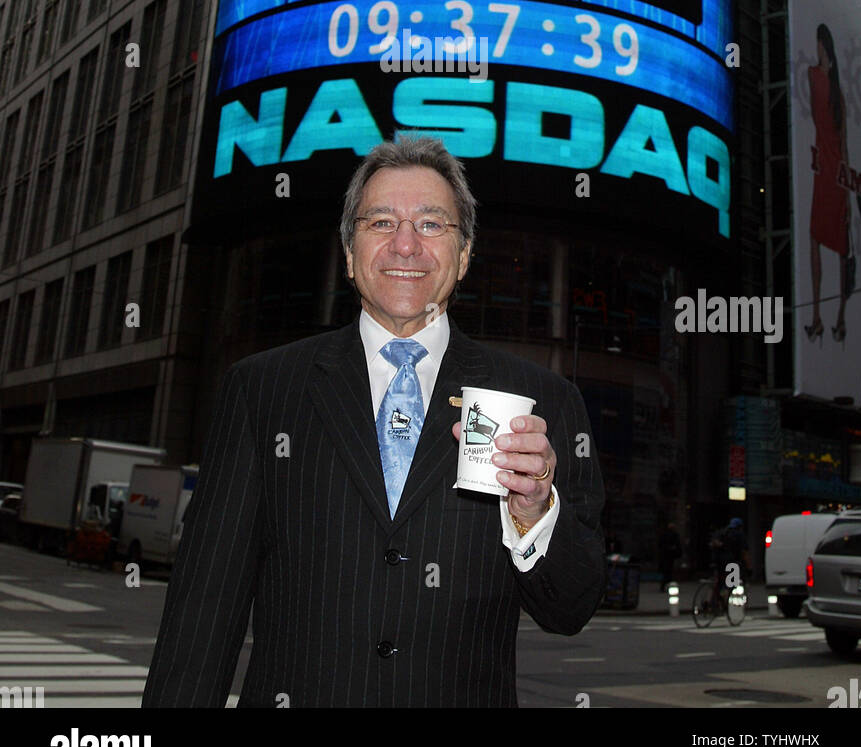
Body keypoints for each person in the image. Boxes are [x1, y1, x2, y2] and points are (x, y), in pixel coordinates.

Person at [142, 134, 606, 708]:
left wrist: (535, 513)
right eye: (381, 223)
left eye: (432, 225)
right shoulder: (262, 390)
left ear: (464, 256)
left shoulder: (540, 403)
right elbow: (203, 609)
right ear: (348, 252)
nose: (405, 245)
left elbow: (572, 608)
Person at [806, 25, 852, 343]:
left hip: (824, 171)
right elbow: (846, 147)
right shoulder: (839, 95)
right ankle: (839, 318)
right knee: (839, 247)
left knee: (816, 239)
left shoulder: (814, 76)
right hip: (837, 175)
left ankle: (818, 316)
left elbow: (812, 113)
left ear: (822, 45)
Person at [712, 517, 750, 601]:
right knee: (732, 584)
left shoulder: (722, 532)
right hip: (732, 562)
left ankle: (712, 602)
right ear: (740, 526)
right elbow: (744, 553)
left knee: (719, 581)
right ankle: (727, 602)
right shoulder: (739, 535)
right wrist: (748, 567)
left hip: (718, 561)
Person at [657, 522, 682, 590]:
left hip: (667, 555)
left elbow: (660, 544)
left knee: (667, 571)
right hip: (669, 556)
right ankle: (666, 585)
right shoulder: (672, 535)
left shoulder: (665, 534)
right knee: (668, 571)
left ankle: (665, 585)